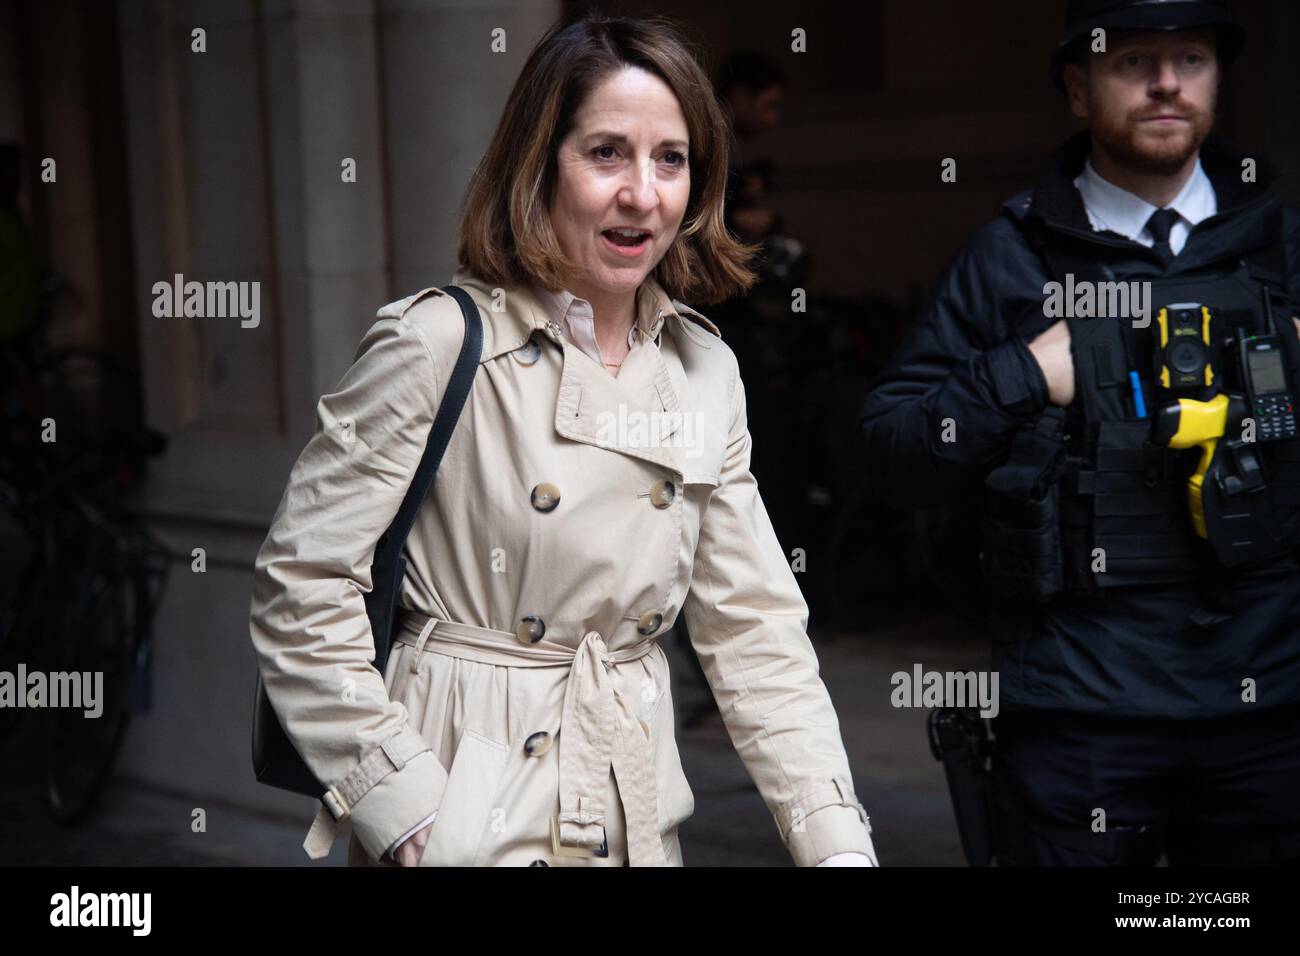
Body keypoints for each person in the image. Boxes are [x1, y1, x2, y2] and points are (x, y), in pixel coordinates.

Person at [249, 14, 877, 868]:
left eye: (671, 159)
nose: (643, 194)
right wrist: (404, 808)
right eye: (606, 153)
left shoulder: (704, 370)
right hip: (461, 801)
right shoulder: (436, 343)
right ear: (539, 165)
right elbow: (303, 582)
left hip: (629, 804)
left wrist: (833, 840)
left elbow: (754, 629)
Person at [859, 0, 1300, 865]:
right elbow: (894, 453)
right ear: (1077, 86)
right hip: (1083, 722)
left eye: (1191, 59)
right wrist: (1022, 375)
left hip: (1268, 711)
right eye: (1135, 60)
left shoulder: (1280, 243)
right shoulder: (1011, 256)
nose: (1168, 82)